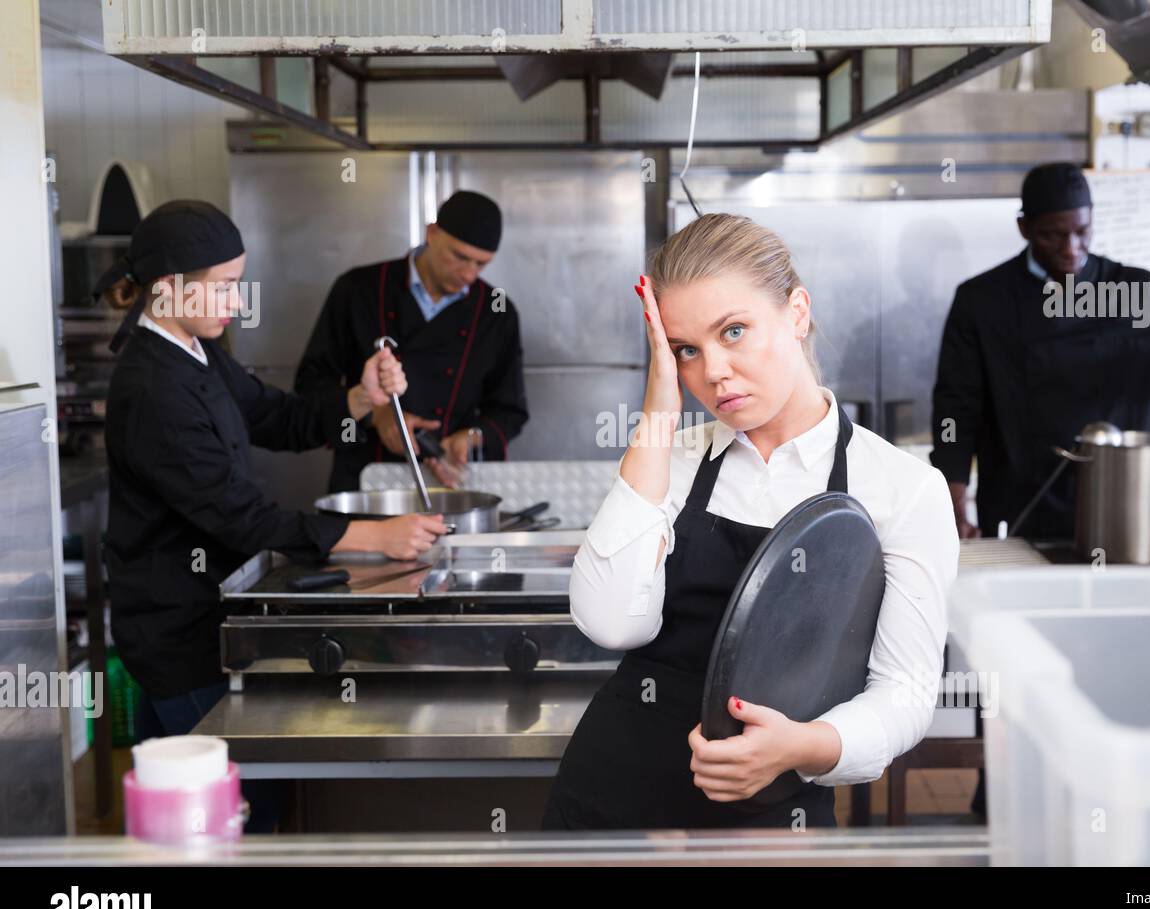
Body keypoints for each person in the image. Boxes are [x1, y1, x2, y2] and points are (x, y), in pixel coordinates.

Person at [541, 213, 958, 830]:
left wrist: (800, 746)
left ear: (796, 312)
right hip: (611, 797)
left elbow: (905, 693)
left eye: (733, 331)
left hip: (771, 812)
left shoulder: (902, 487)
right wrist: (658, 413)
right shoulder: (670, 458)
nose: (711, 372)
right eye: (686, 350)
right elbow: (610, 623)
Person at [99, 200, 448, 828]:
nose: (238, 301)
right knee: (225, 816)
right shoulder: (153, 389)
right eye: (227, 286)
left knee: (174, 811)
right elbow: (239, 518)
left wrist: (360, 396)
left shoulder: (195, 351)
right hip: (179, 633)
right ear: (171, 288)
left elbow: (277, 418)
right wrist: (372, 535)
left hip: (205, 616)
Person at [931, 162, 1150, 539]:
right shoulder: (983, 301)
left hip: (1126, 504)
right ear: (1024, 228)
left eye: (1081, 232)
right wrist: (952, 501)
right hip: (1019, 506)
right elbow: (955, 410)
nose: (1070, 249)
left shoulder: (1134, 292)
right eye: (1051, 236)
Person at [295, 190, 528, 492]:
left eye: (481, 264)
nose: (469, 274)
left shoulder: (497, 312)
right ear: (432, 233)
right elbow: (311, 385)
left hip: (452, 484)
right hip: (366, 481)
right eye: (459, 257)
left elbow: (510, 410)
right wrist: (375, 415)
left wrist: (472, 436)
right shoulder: (359, 290)